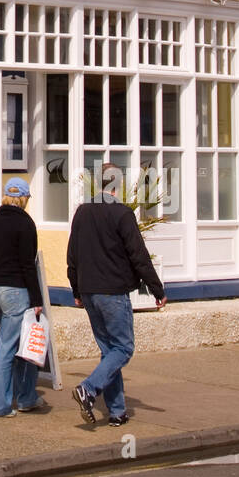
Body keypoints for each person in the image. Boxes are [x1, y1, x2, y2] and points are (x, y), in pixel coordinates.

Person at [67, 162, 166, 427]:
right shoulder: (121, 213)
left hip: (89, 291)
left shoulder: (82, 212)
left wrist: (76, 289)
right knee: (123, 348)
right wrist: (157, 289)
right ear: (117, 184)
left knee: (109, 351)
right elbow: (138, 255)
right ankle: (88, 389)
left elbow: (72, 254)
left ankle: (117, 411)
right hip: (112, 292)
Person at [0, 177, 44, 417]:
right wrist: (37, 300)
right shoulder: (26, 224)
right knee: (9, 347)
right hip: (16, 292)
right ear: (23, 198)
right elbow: (27, 265)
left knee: (21, 343)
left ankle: (27, 398)